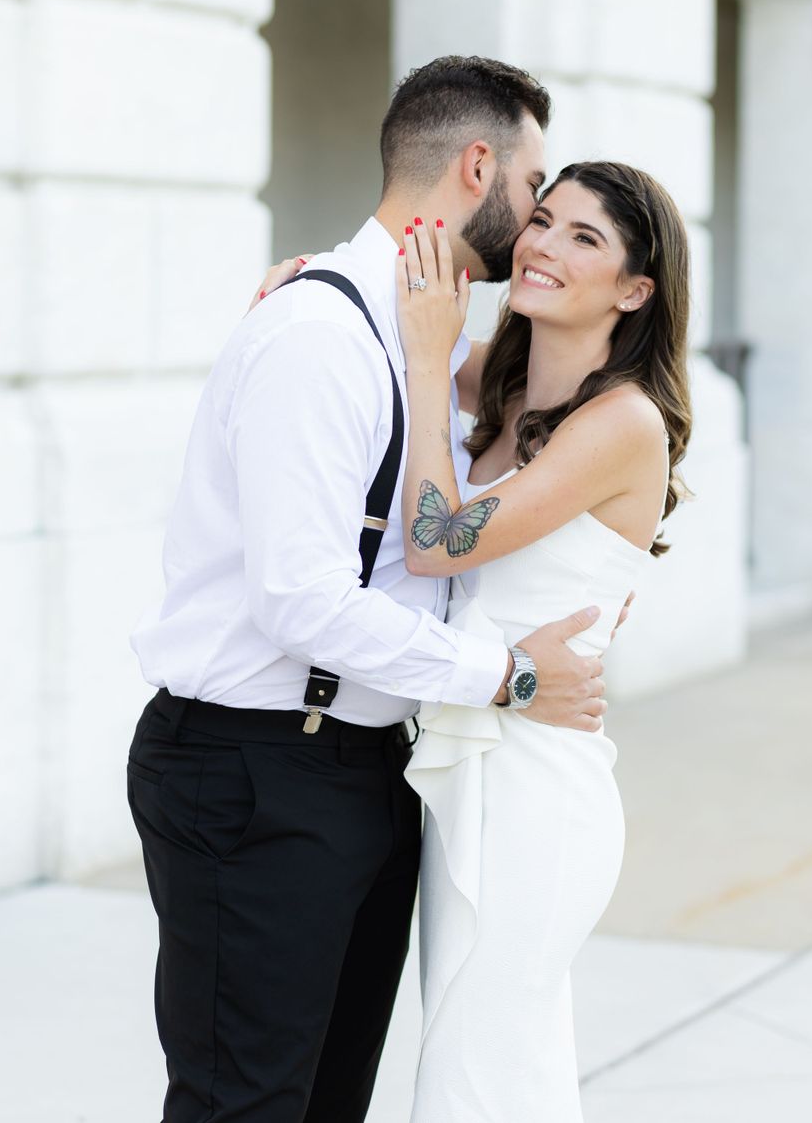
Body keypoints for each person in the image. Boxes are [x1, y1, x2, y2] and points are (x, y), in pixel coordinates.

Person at [126, 56, 632, 1123]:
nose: (535, 227)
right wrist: (505, 674)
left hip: (372, 768)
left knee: (328, 1101)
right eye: (534, 192)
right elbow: (302, 601)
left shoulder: (422, 335)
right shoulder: (323, 336)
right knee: (246, 1104)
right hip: (259, 770)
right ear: (477, 167)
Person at [266, 160, 692, 1120]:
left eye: (584, 237)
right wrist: (310, 279)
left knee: (483, 1070)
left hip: (537, 786)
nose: (541, 245)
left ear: (635, 291)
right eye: (543, 220)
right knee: (476, 1064)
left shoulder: (622, 421)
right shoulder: (502, 380)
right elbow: (378, 323)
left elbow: (435, 541)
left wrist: (428, 369)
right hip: (466, 763)